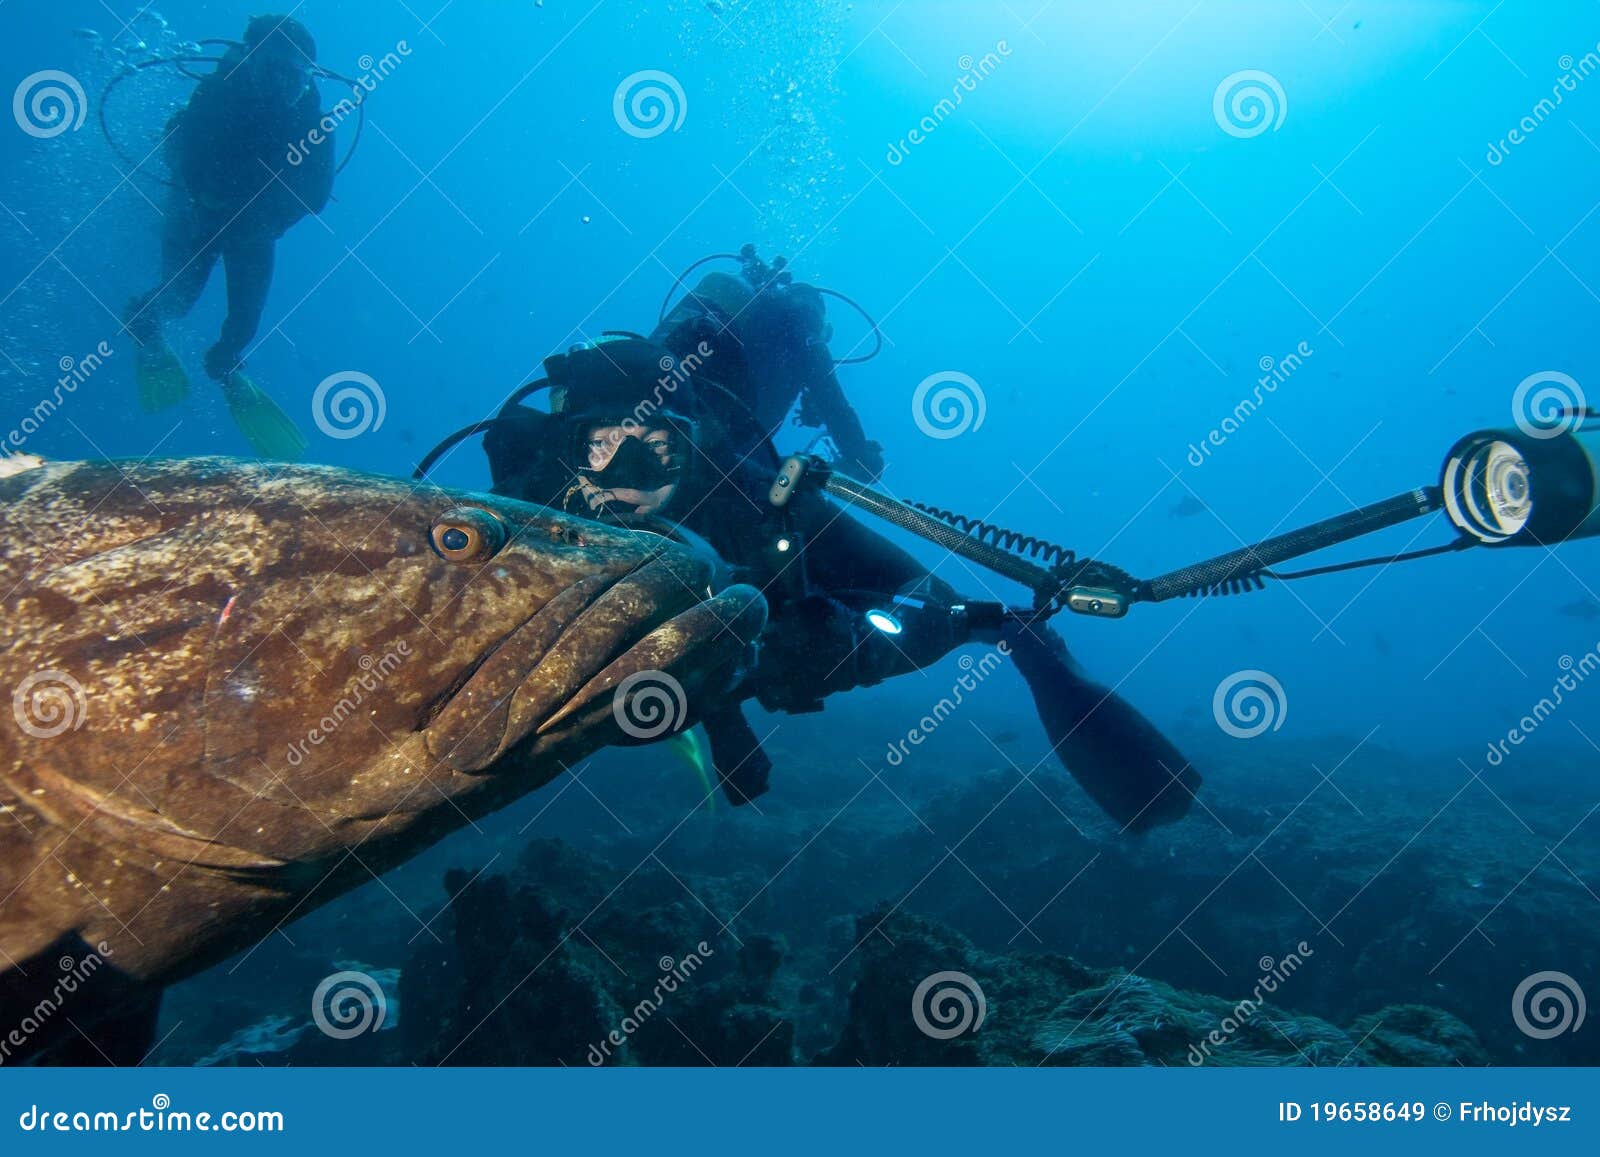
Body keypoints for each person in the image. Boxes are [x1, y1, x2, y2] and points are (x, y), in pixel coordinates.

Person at [480, 334, 1201, 832]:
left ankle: (1060, 687)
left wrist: (819, 644)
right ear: (564, 449)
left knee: (963, 615)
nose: (628, 479)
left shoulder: (756, 499)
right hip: (676, 653)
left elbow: (915, 599)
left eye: (657, 450)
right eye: (600, 446)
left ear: (696, 442)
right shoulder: (527, 513)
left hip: (751, 608)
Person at [123, 14, 332, 459]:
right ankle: (144, 322)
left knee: (243, 325)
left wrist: (265, 217)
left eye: (296, 75)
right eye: (274, 68)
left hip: (252, 230)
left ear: (308, 77)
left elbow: (315, 196)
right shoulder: (218, 95)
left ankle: (227, 367)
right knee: (178, 299)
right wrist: (206, 197)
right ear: (251, 59)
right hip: (197, 218)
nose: (283, 83)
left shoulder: (311, 122)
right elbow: (184, 155)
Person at [653, 245, 886, 481]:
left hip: (660, 403)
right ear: (816, 315)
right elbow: (834, 406)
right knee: (784, 487)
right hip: (718, 448)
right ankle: (814, 463)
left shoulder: (752, 310)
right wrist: (861, 457)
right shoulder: (805, 337)